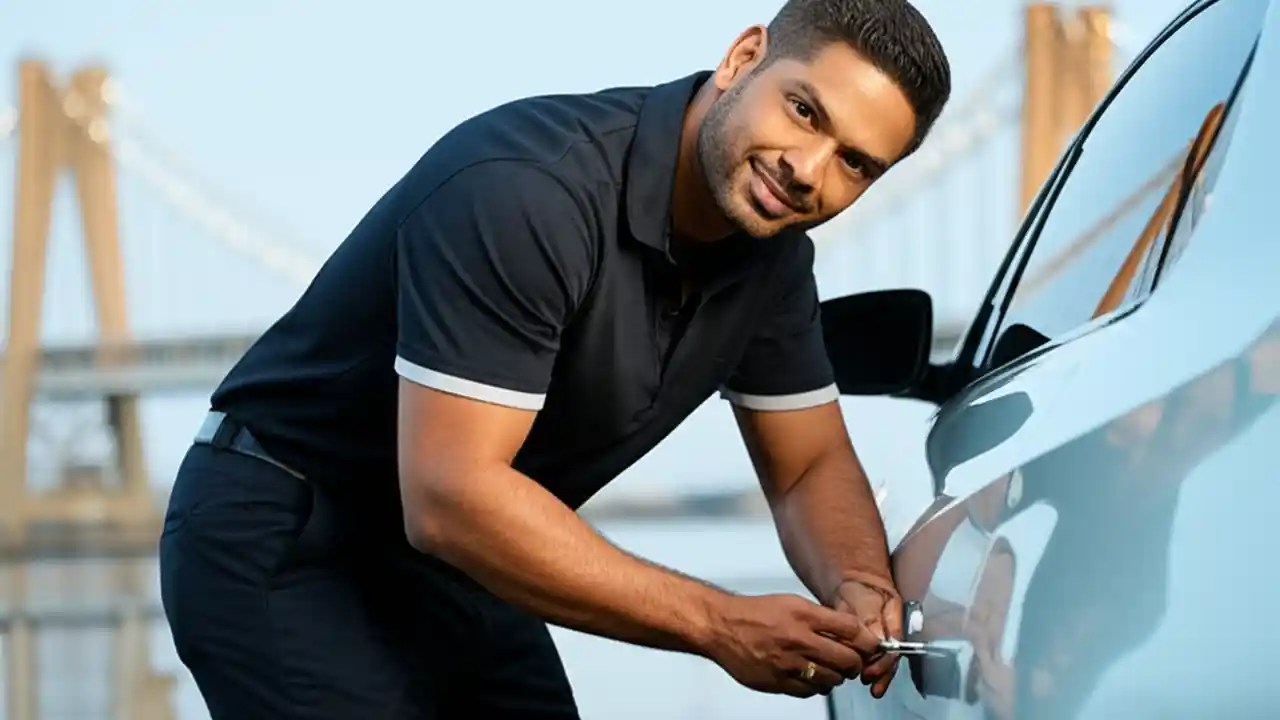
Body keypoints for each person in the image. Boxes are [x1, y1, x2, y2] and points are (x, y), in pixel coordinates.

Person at [157, 0, 952, 717]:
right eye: (804, 111)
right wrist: (720, 623)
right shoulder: (528, 190)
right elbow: (449, 497)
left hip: (468, 557)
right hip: (293, 531)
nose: (807, 169)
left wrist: (859, 584)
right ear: (743, 58)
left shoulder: (772, 260)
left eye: (855, 163)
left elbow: (808, 465)